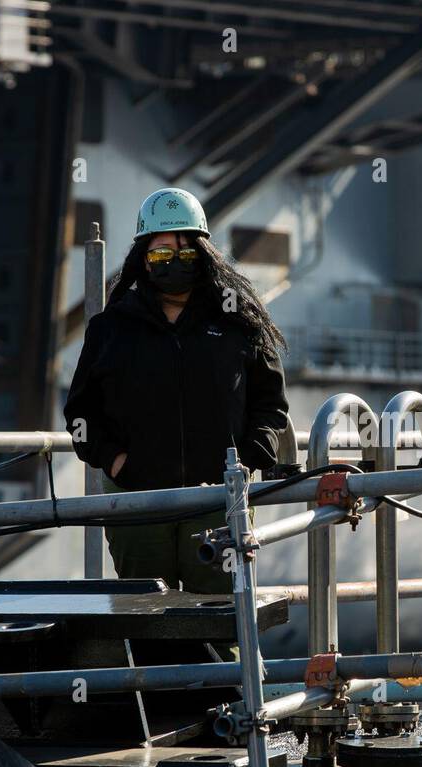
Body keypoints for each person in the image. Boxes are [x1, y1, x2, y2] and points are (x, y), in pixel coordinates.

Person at [64, 187, 288, 592]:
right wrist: (115, 462)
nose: (175, 262)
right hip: (137, 504)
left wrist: (250, 458)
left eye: (186, 253)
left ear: (204, 256)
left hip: (220, 503)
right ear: (143, 259)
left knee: (220, 614)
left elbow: (270, 404)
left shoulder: (238, 323)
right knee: (145, 614)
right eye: (162, 254)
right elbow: (80, 415)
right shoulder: (111, 328)